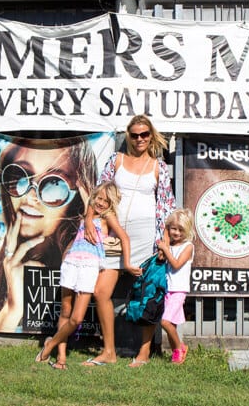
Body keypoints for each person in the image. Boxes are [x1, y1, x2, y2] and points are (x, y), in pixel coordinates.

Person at [0, 137, 97, 332]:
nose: (30, 196)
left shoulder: (89, 263)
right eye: (20, 176)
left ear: (79, 199)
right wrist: (12, 308)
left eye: (54, 184)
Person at [82, 114, 176, 366]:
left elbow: (167, 207)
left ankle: (144, 352)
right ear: (128, 136)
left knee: (147, 295)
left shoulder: (160, 167)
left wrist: (164, 243)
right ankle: (109, 351)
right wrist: (89, 219)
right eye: (134, 135)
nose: (139, 139)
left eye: (144, 134)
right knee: (101, 292)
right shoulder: (116, 160)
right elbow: (98, 193)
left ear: (151, 135)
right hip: (114, 238)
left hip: (147, 239)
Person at [35, 181, 132, 370]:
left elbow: (124, 237)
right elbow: (88, 198)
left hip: (89, 267)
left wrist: (127, 264)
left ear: (112, 203)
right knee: (65, 310)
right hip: (71, 263)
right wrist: (88, 210)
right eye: (98, 198)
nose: (101, 203)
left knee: (77, 318)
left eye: (106, 200)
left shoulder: (108, 216)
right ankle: (61, 358)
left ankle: (50, 345)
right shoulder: (89, 212)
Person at [155, 208, 195, 365]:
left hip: (178, 289)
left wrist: (166, 249)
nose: (176, 233)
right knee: (170, 323)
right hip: (167, 288)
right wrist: (164, 246)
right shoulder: (169, 244)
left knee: (164, 322)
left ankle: (179, 349)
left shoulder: (188, 246)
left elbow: (177, 264)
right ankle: (176, 351)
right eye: (173, 229)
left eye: (180, 230)